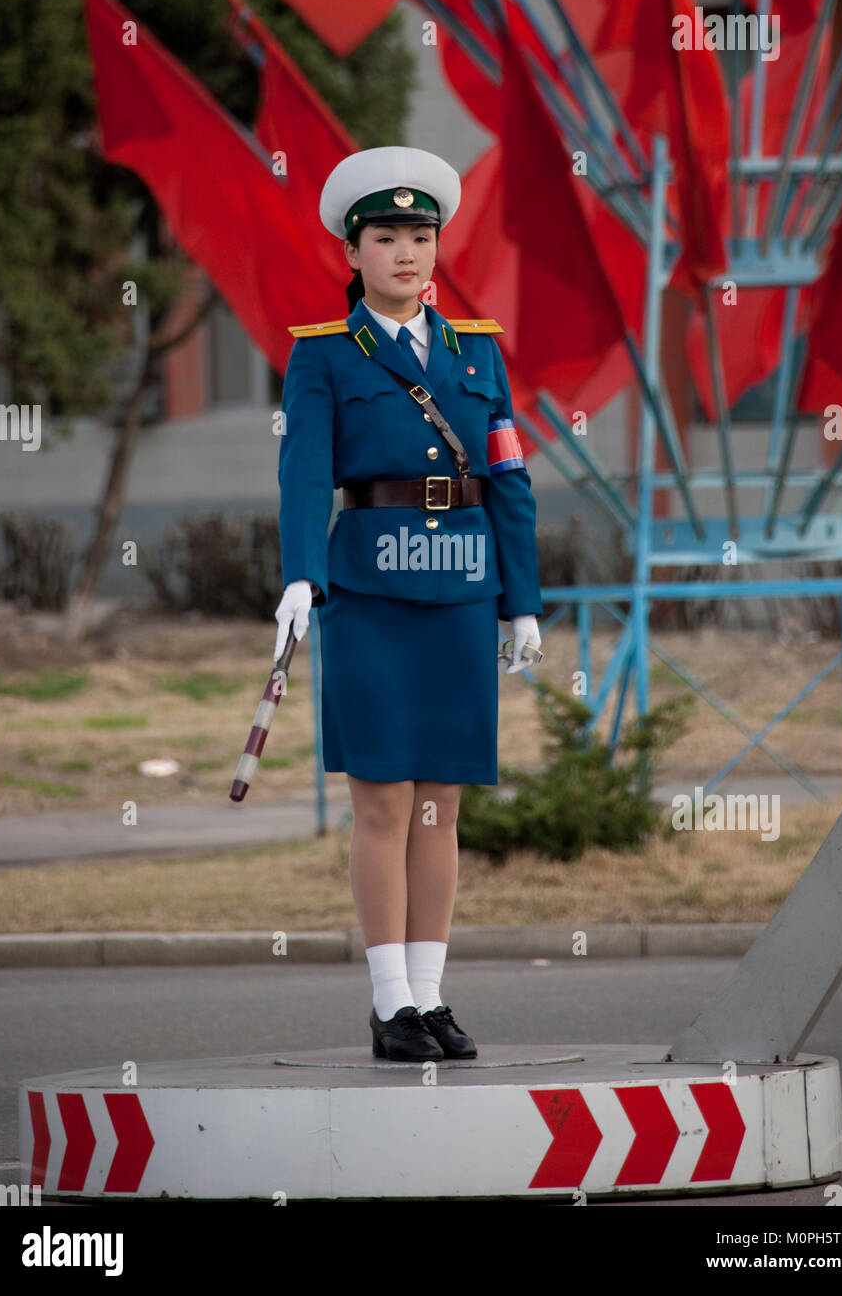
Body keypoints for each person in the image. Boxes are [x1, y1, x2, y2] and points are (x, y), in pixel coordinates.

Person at [274, 146, 543, 1063]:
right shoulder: (323, 355)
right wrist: (298, 576)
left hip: (464, 592)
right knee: (385, 803)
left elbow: (507, 478)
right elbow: (305, 474)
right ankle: (388, 1002)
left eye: (419, 236)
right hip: (373, 592)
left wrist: (523, 603)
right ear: (354, 252)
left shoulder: (478, 349)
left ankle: (429, 997)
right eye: (385, 237)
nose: (405, 253)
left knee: (442, 807)